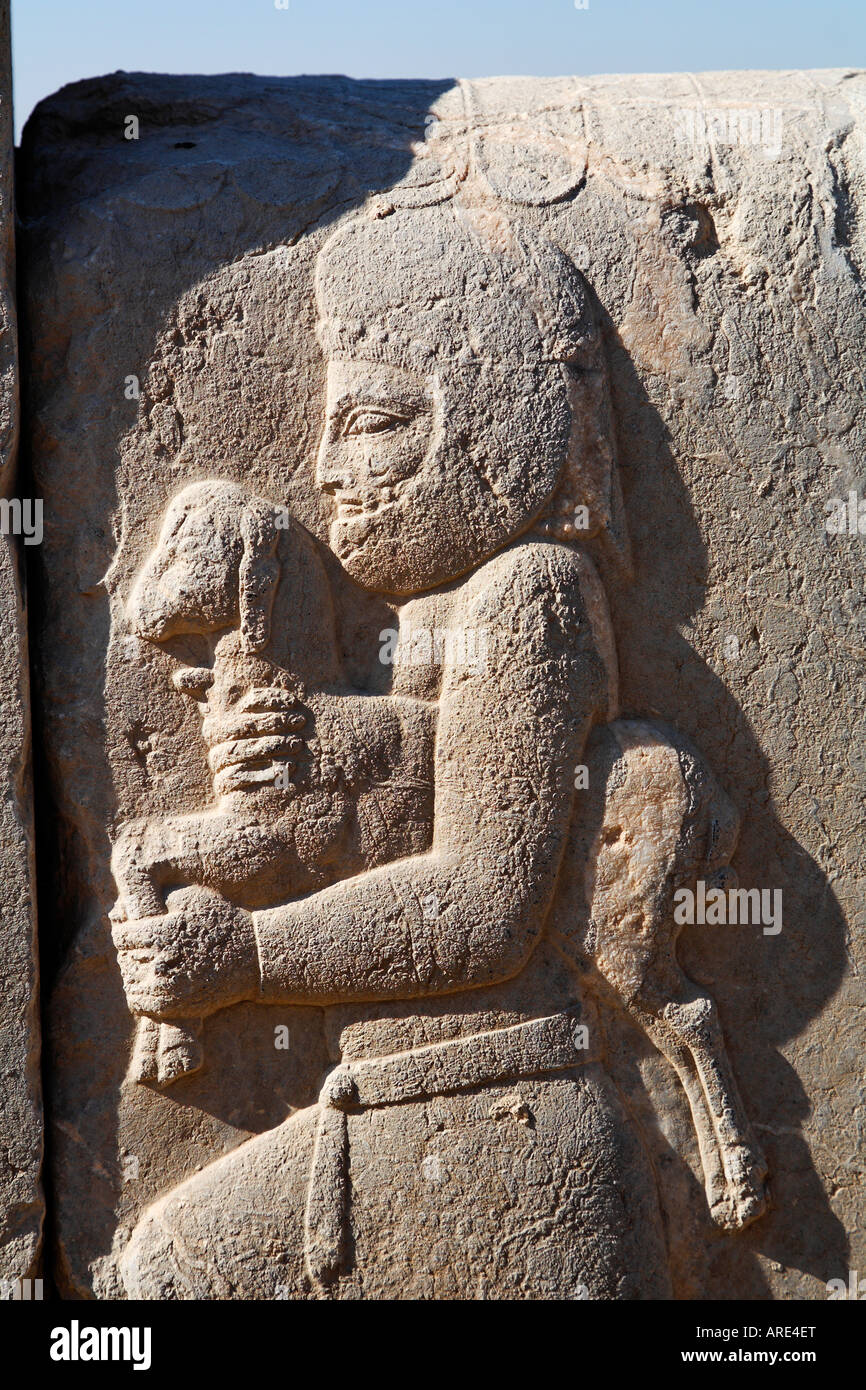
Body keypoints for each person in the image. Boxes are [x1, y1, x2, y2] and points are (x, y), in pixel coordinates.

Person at [115, 201, 672, 1300]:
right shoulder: (419, 630)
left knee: (166, 1273)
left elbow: (479, 900)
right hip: (396, 1113)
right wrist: (313, 757)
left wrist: (244, 959)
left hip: (489, 1137)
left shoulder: (526, 596)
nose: (326, 466)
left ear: (490, 419)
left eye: (370, 421)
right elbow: (408, 795)